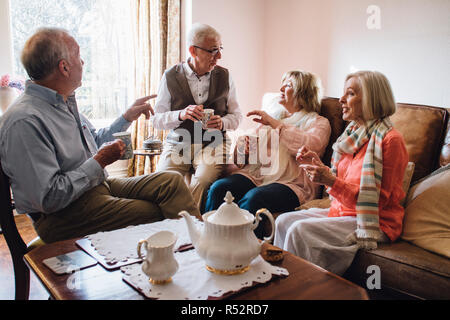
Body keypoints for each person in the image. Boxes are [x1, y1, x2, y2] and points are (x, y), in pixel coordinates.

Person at [0, 27, 200, 243]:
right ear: (64, 67)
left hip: (96, 188)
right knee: (153, 212)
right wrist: (100, 161)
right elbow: (49, 198)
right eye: (78, 55)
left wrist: (126, 117)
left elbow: (91, 142)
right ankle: (188, 258)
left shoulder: (63, 101)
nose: (83, 62)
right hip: (61, 216)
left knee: (171, 181)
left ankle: (200, 247)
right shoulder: (25, 121)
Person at [274, 70, 409, 275]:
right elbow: (342, 180)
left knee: (299, 230)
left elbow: (377, 201)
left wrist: (330, 180)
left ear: (371, 100)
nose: (342, 100)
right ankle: (282, 283)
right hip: (344, 211)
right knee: (283, 221)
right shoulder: (354, 135)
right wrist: (320, 167)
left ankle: (301, 291)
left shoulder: (390, 140)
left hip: (374, 220)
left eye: (351, 94)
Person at [205, 70, 331, 237]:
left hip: (292, 184)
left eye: (288, 85)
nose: (281, 88)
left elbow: (309, 145)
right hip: (259, 177)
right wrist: (245, 147)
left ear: (304, 92)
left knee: (254, 198)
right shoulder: (274, 117)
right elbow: (242, 161)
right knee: (219, 188)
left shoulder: (318, 122)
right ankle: (208, 238)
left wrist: (275, 124)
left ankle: (239, 247)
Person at [152, 23, 242, 209]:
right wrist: (180, 115)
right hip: (179, 142)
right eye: (213, 51)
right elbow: (156, 120)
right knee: (163, 181)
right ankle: (169, 226)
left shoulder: (225, 76)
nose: (219, 56)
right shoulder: (170, 76)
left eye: (220, 49)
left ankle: (191, 229)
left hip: (214, 143)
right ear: (193, 51)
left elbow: (237, 116)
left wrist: (223, 122)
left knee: (202, 180)